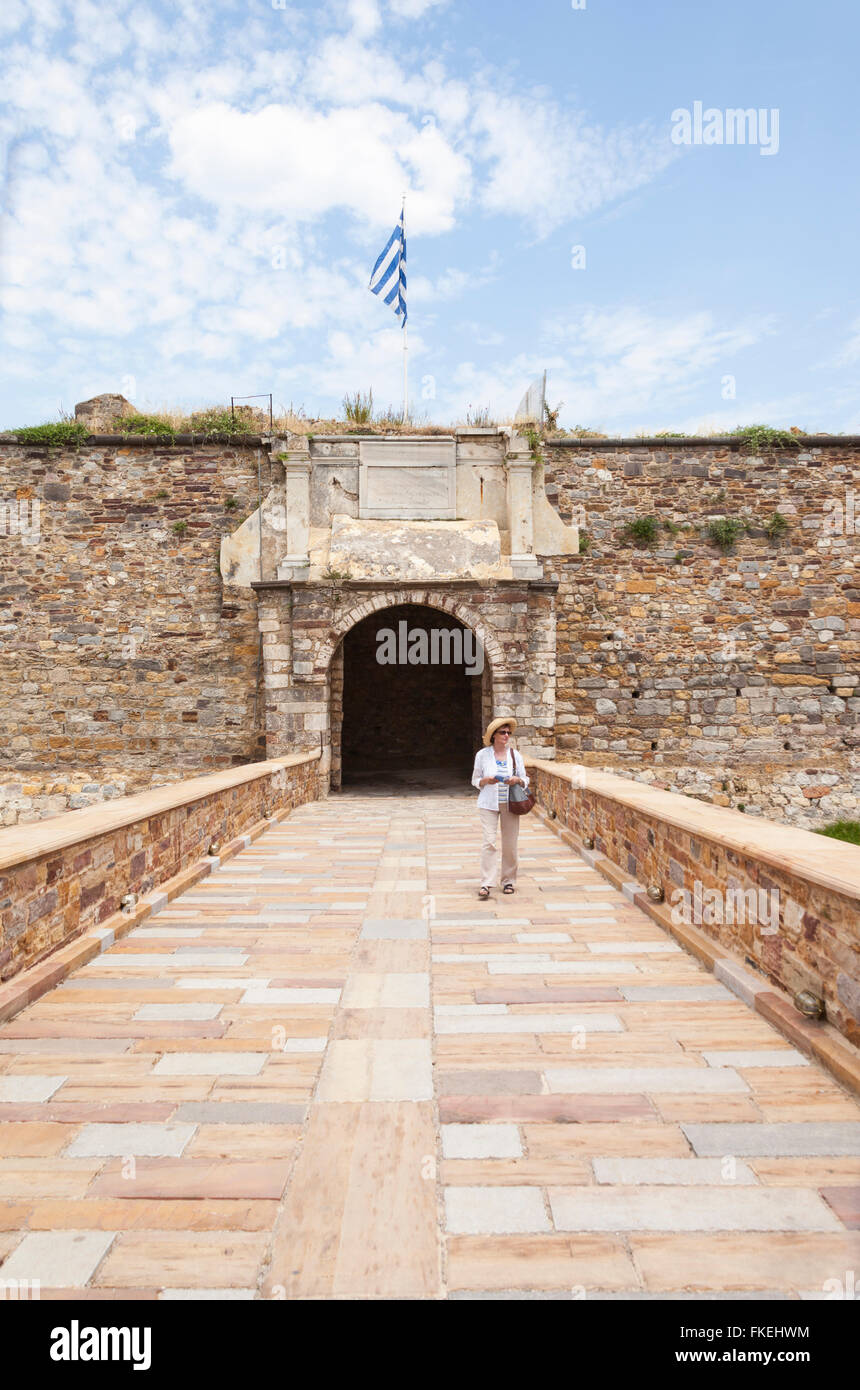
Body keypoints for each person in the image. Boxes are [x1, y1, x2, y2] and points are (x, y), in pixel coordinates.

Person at [471, 716, 529, 899]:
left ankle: (508, 881)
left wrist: (517, 780)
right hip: (488, 802)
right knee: (489, 842)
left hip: (509, 803)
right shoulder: (482, 755)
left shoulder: (515, 755)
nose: (506, 735)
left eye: (508, 732)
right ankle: (487, 882)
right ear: (494, 735)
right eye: (503, 732)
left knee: (510, 844)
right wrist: (487, 780)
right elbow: (474, 780)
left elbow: (525, 779)